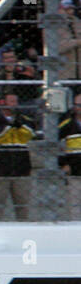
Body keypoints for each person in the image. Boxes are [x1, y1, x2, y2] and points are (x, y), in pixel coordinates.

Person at [0, 91, 35, 221]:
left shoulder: (25, 120)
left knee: (23, 204)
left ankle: (23, 228)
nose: (14, 105)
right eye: (11, 101)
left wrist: (19, 124)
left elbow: (29, 134)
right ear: (2, 103)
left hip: (21, 167)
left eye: (16, 102)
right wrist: (10, 126)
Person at [59, 94, 81, 222]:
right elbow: (55, 146)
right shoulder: (67, 125)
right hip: (75, 172)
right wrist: (63, 164)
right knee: (75, 206)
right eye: (78, 105)